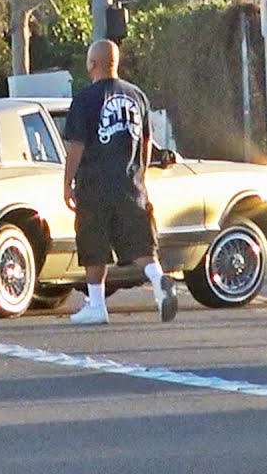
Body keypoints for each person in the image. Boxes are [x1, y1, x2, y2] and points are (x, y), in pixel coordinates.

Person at [62, 39, 178, 326]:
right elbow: (147, 140)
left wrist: (67, 183)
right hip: (130, 184)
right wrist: (140, 174)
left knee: (94, 245)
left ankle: (97, 305)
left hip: (94, 184)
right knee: (140, 245)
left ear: (92, 64)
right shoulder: (137, 96)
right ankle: (159, 281)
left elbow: (76, 146)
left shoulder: (85, 99)